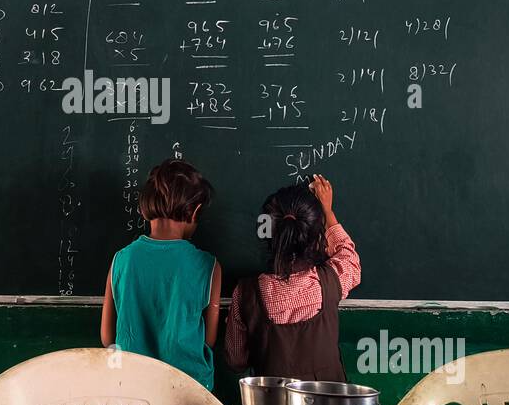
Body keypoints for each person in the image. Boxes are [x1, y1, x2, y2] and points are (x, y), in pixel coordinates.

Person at [224, 174, 360, 381]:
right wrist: (327, 211)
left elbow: (236, 361)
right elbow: (348, 254)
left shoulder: (245, 294)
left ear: (268, 235)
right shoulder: (331, 280)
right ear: (317, 237)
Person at [100, 159, 222, 390]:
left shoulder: (121, 260)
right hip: (189, 392)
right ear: (195, 211)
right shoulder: (209, 266)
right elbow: (209, 340)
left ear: (145, 208)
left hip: (132, 389)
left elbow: (108, 337)